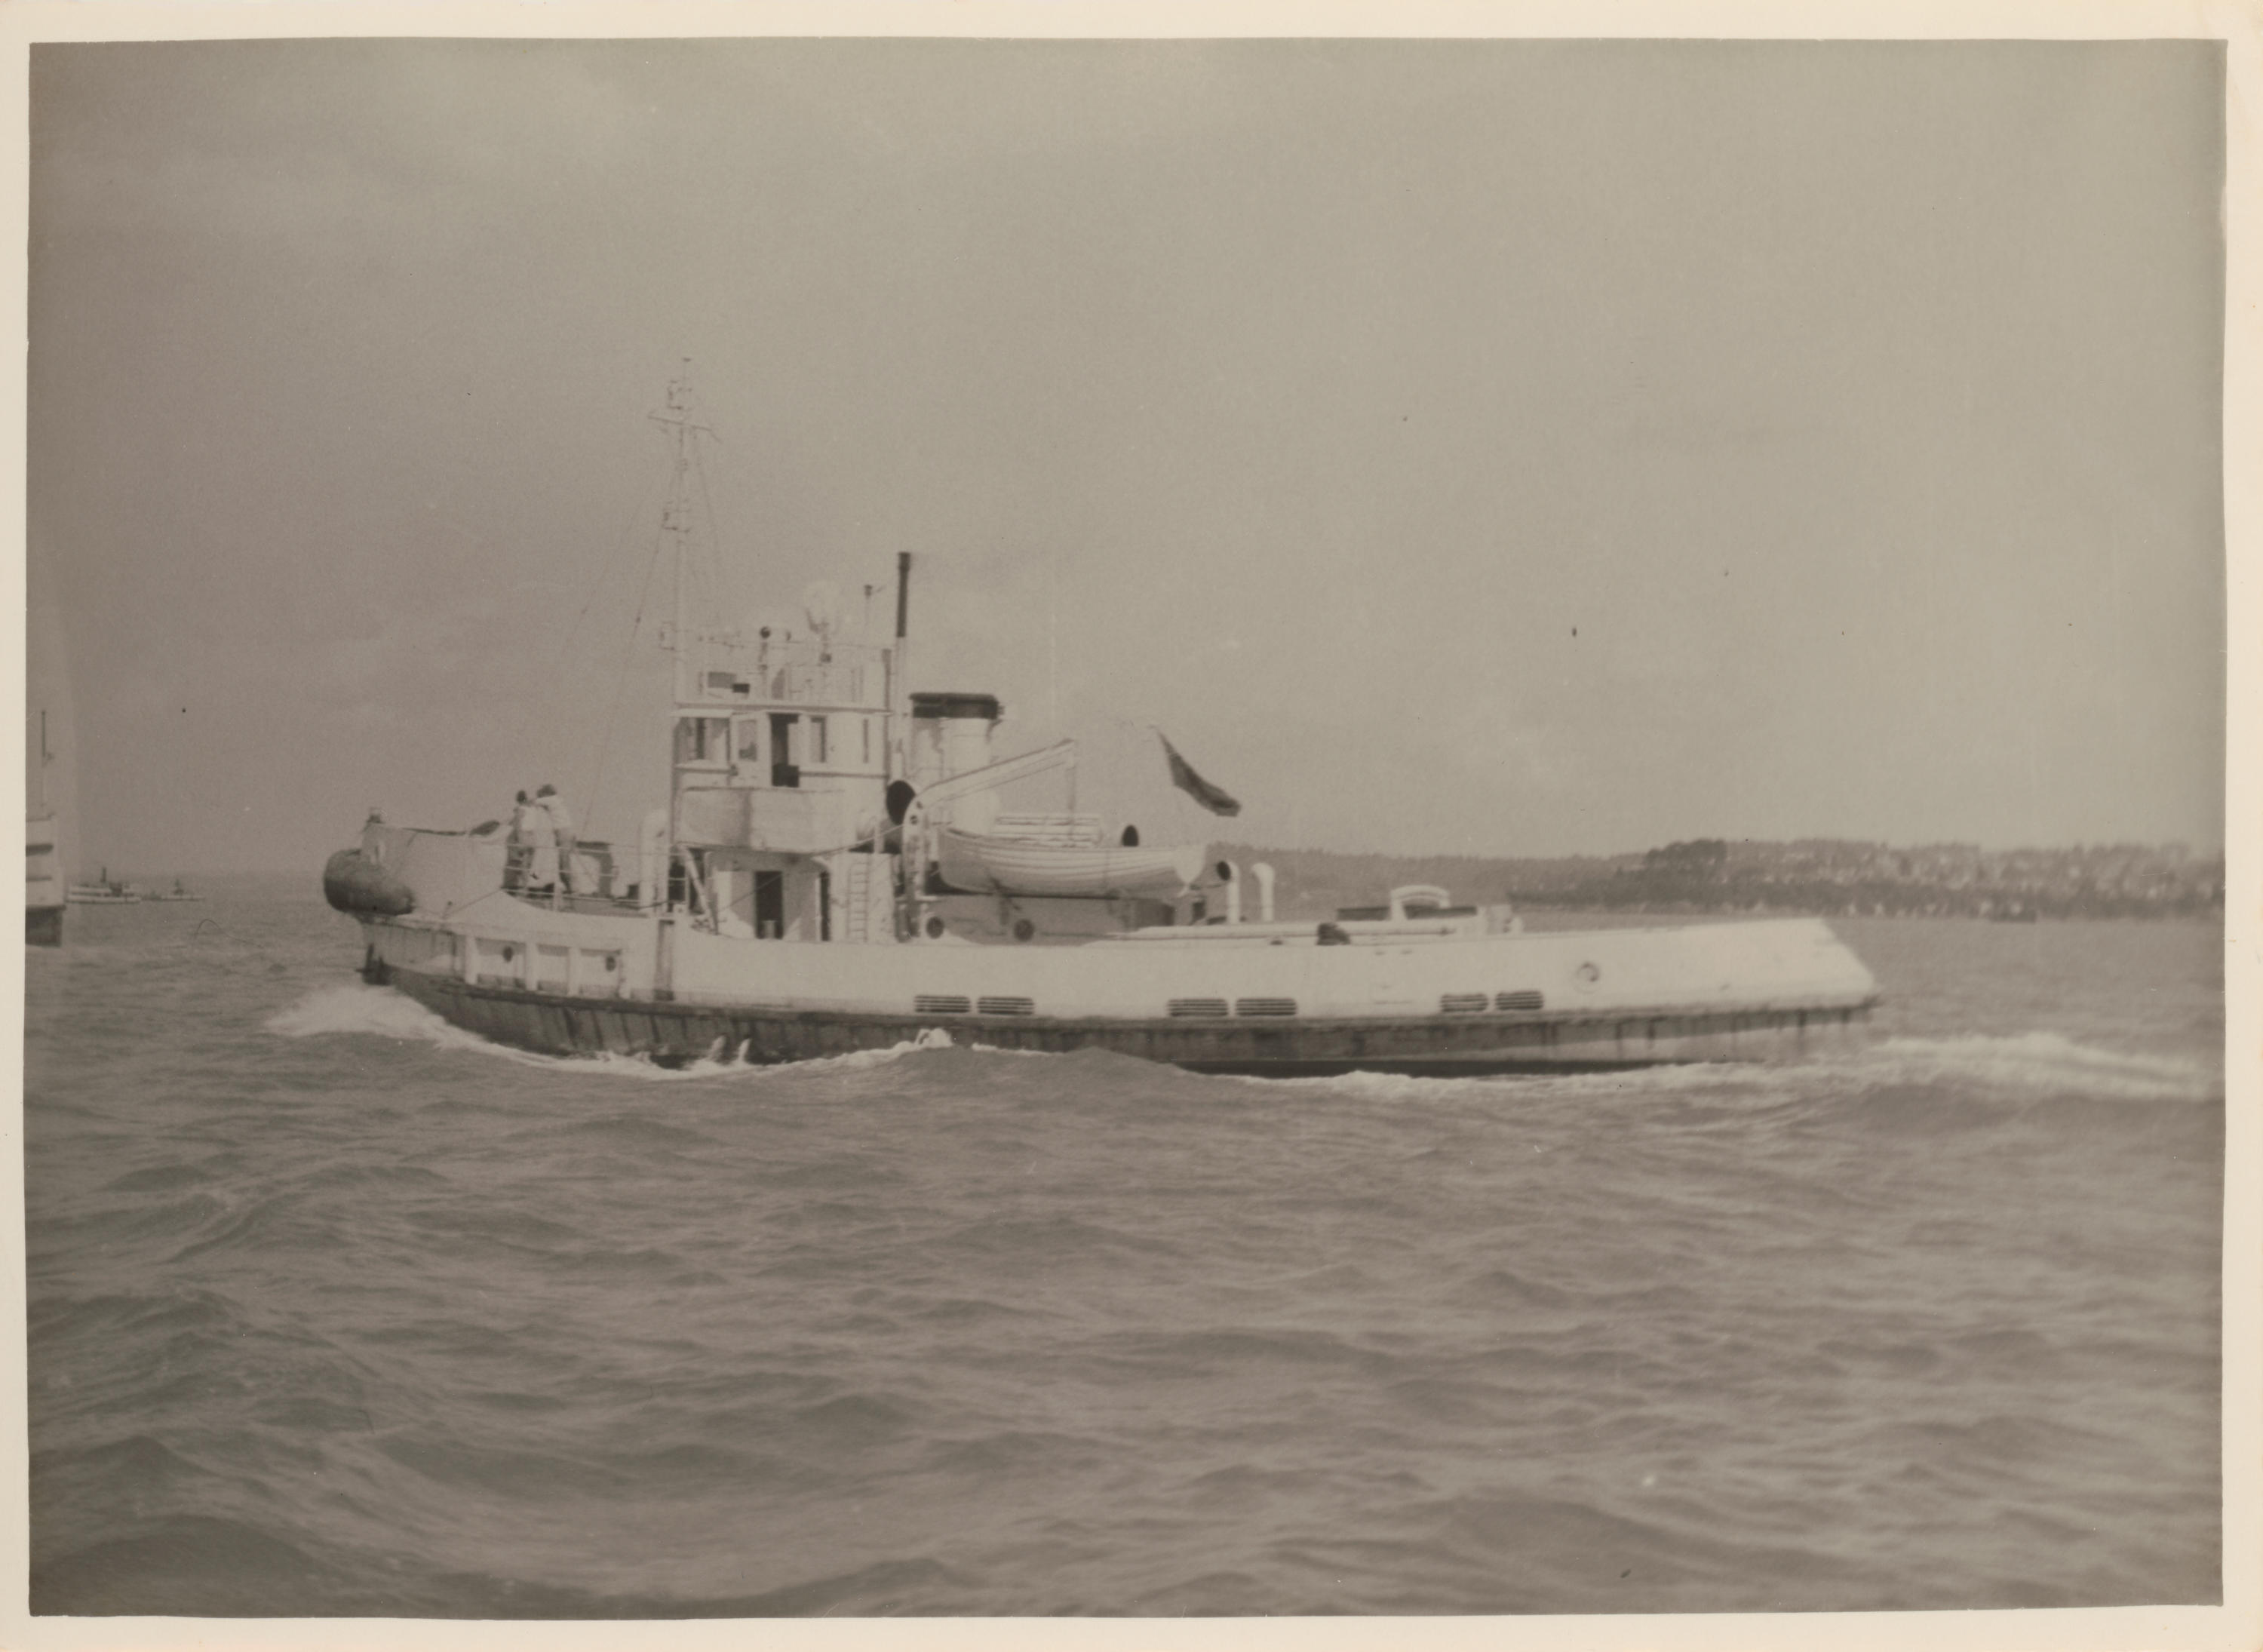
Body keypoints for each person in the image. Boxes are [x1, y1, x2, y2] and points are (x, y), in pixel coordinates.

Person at [512, 788, 557, 895]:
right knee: (529, 863)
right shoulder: (531, 807)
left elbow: (517, 825)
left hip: (525, 836)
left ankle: (524, 888)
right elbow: (534, 802)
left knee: (524, 863)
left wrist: (518, 839)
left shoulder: (520, 810)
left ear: (518, 800)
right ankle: (527, 885)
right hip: (532, 837)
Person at [537, 784, 577, 895]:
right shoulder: (557, 800)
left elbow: (533, 802)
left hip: (564, 833)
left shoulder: (552, 800)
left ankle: (572, 890)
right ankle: (570, 889)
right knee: (563, 864)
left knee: (564, 864)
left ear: (546, 794)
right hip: (564, 833)